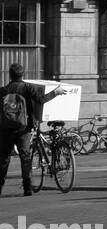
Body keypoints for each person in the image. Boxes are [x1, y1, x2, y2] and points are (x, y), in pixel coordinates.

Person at [0, 64, 69, 196]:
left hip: (5, 130)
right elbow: (41, 100)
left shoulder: (3, 90)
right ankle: (27, 189)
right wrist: (56, 92)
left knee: (3, 159)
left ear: (10, 75)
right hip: (24, 129)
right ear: (22, 74)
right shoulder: (27, 88)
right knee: (25, 158)